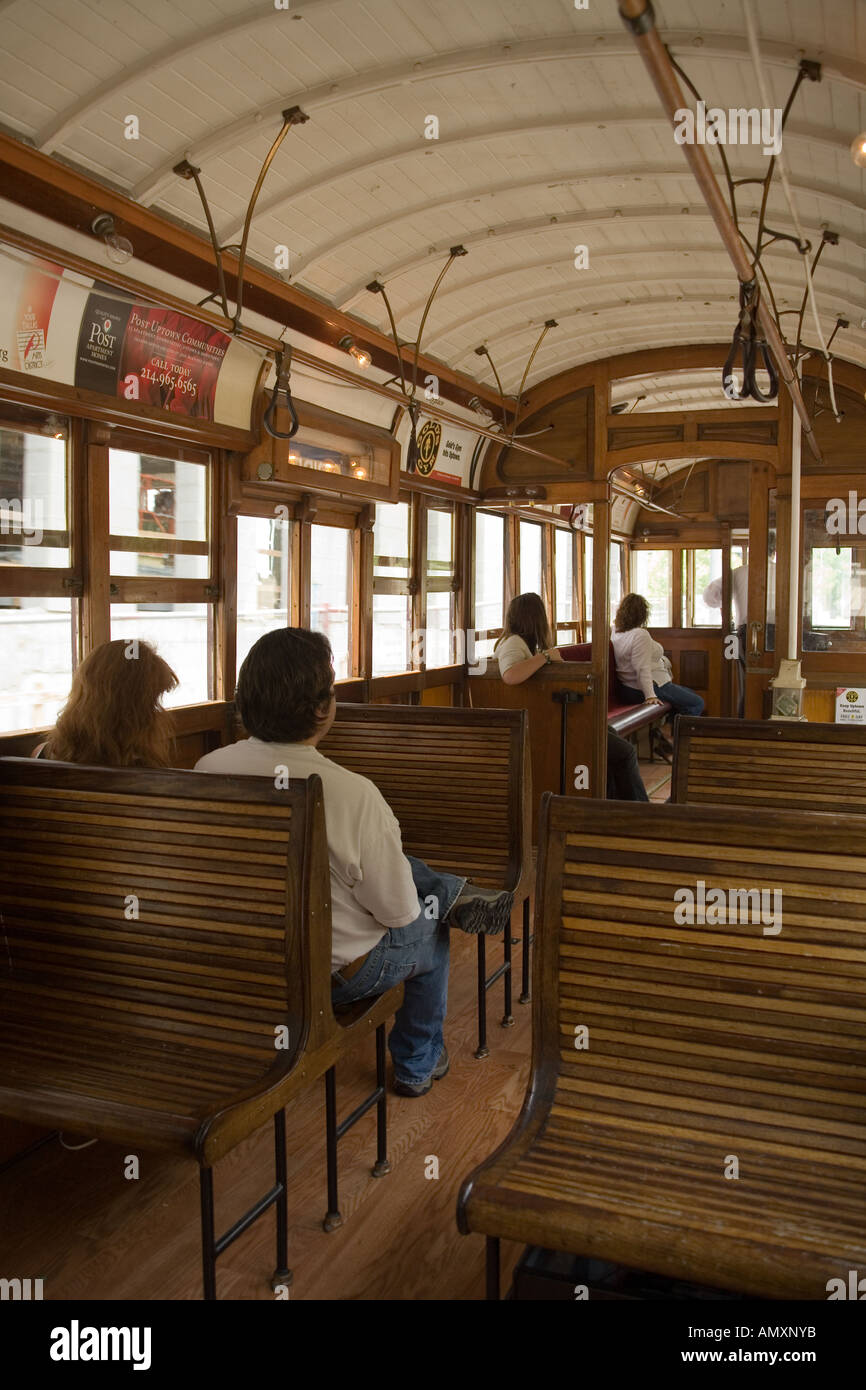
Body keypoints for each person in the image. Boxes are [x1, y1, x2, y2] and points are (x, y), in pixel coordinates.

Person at [193, 628, 513, 1100]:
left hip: (243, 966)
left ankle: (450, 892)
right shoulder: (352, 792)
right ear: (322, 708)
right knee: (430, 921)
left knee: (382, 870)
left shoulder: (207, 769)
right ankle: (416, 1064)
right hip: (333, 974)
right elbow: (399, 914)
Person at [495, 592, 649, 802]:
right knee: (624, 751)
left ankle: (615, 805)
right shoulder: (513, 643)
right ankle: (640, 809)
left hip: (545, 718)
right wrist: (547, 656)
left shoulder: (524, 645)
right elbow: (510, 675)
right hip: (542, 725)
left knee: (608, 735)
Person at [33, 638, 178, 765]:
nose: (158, 712)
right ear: (137, 711)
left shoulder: (43, 754)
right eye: (153, 702)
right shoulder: (147, 774)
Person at [611, 594, 705, 747]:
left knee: (689, 695)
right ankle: (673, 742)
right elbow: (641, 668)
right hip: (646, 687)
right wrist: (650, 696)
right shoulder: (640, 635)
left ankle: (665, 732)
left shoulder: (617, 631)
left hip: (629, 687)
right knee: (696, 703)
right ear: (642, 614)